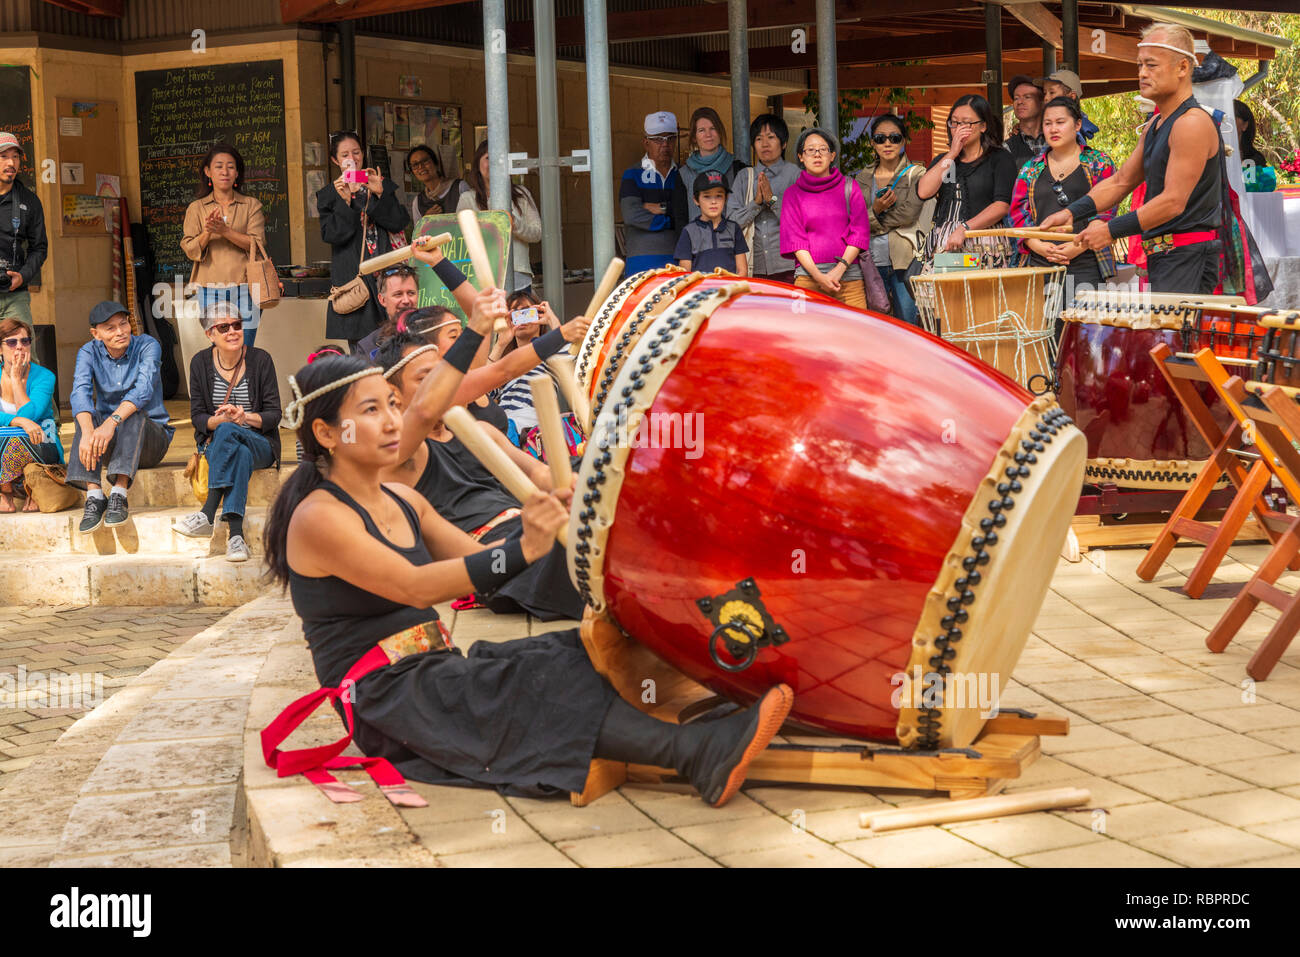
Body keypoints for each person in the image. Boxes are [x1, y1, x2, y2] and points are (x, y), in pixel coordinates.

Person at [261, 348, 794, 805]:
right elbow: (416, 587)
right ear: (326, 432)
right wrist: (523, 549)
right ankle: (696, 754)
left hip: (430, 670)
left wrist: (548, 523)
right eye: (371, 410)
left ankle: (714, 707)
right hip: (384, 700)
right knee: (527, 682)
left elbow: (479, 570)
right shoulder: (317, 517)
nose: (394, 421)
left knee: (565, 653)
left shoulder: (403, 497)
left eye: (393, 405)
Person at [1040, 24, 1225, 295]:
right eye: (1140, 65)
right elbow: (1120, 182)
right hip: (1168, 253)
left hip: (1188, 254)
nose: (1142, 73)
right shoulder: (1156, 124)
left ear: (1183, 67)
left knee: (1174, 337)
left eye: (1151, 65)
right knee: (1164, 336)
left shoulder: (1192, 123)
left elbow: (1173, 202)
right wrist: (1070, 212)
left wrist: (1110, 230)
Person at [171, 301, 281, 562]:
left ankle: (208, 513)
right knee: (236, 450)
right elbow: (198, 418)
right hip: (226, 442)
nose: (233, 331)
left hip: (261, 443)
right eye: (223, 327)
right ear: (210, 334)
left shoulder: (261, 359)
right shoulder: (199, 363)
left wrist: (245, 417)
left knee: (232, 432)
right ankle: (236, 537)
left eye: (237, 325)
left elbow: (274, 415)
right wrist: (221, 421)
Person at [68, 301, 175, 533]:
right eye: (110, 328)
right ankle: (95, 495)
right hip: (109, 444)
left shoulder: (148, 345)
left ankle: (119, 493)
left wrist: (111, 421)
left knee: (132, 412)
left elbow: (143, 390)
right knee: (86, 417)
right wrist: (88, 432)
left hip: (151, 441)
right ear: (96, 334)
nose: (120, 332)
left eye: (123, 324)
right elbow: (80, 392)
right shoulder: (88, 351)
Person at [1010, 98, 1117, 324]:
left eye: (1060, 122)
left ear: (1077, 124)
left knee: (1083, 336)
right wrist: (1037, 245)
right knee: (1042, 335)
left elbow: (1107, 210)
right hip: (1039, 265)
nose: (1053, 129)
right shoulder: (1031, 168)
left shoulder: (1099, 162)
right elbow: (1017, 214)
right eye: (1047, 123)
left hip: (1086, 261)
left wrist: (1078, 246)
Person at [318, 130, 412, 349]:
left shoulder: (380, 184)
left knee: (396, 342)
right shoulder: (328, 194)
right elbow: (333, 235)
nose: (352, 159)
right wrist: (345, 202)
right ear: (335, 160)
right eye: (344, 155)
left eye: (356, 152)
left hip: (387, 275)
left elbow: (399, 222)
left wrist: (380, 194)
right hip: (356, 280)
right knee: (362, 351)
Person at [779, 128, 889, 312]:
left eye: (823, 149)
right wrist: (819, 277)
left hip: (850, 279)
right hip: (808, 280)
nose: (817, 154)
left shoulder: (849, 186)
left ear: (832, 155)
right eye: (810, 150)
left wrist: (839, 269)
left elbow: (859, 232)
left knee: (853, 336)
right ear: (800, 156)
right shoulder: (792, 195)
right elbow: (796, 242)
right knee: (810, 338)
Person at [181, 143, 269, 349]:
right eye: (219, 166)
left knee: (244, 347)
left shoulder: (251, 205)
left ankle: (244, 383)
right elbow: (189, 248)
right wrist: (208, 233)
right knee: (220, 350)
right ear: (207, 172)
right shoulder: (196, 208)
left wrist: (225, 231)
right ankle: (224, 383)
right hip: (210, 290)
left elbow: (257, 243)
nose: (225, 171)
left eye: (230, 166)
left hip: (246, 288)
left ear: (237, 173)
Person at [916, 95, 1019, 269]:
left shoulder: (1000, 159)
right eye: (954, 123)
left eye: (966, 123)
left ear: (983, 126)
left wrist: (964, 228)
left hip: (983, 241)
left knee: (980, 294)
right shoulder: (946, 160)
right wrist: (952, 153)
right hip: (945, 244)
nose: (958, 129)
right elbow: (923, 192)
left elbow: (1001, 205)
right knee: (947, 294)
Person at [856, 114, 933, 326]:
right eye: (880, 138)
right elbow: (855, 218)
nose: (887, 143)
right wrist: (877, 210)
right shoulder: (862, 177)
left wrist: (873, 219)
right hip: (870, 262)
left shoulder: (917, 174)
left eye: (894, 138)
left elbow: (909, 214)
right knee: (875, 328)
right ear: (872, 142)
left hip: (905, 262)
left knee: (908, 326)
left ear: (904, 140)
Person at [458, 140, 542, 295]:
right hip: (481, 277)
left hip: (518, 276)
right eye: (489, 158)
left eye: (499, 159)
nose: (494, 163)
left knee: (520, 319)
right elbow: (461, 238)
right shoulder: (467, 199)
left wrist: (515, 224)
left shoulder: (521, 194)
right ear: (478, 164)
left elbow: (537, 233)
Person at [485, 290, 570, 444]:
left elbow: (567, 362)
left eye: (527, 312)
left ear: (539, 314)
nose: (522, 319)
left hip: (532, 427)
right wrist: (501, 343)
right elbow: (482, 390)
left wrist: (552, 320)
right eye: (516, 315)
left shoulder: (548, 352)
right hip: (502, 426)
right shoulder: (507, 361)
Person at [727, 114, 799, 283]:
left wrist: (772, 200)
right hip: (752, 266)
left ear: (784, 143)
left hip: (790, 266)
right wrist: (757, 203)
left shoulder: (795, 175)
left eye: (771, 137)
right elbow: (731, 224)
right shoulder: (744, 177)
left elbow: (801, 224)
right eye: (759, 139)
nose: (765, 144)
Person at [0, 316, 61, 512]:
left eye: (24, 341)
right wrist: (16, 420)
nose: (19, 347)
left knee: (24, 436)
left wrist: (16, 380)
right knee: (14, 435)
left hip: (42, 445)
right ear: (0, 349)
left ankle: (33, 488)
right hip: (3, 449)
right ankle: (5, 490)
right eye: (11, 342)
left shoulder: (44, 376)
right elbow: (22, 420)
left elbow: (32, 416)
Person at [619, 111, 681, 275]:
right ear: (646, 142)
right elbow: (632, 216)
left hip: (678, 261)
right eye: (658, 139)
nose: (665, 145)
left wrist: (662, 208)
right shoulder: (632, 174)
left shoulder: (683, 174)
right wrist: (673, 220)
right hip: (641, 262)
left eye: (670, 138)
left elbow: (689, 213)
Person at [671, 107, 748, 233]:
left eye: (713, 128)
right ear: (694, 137)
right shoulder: (683, 174)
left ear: (720, 131)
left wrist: (772, 200)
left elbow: (754, 206)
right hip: (698, 248)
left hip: (733, 246)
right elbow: (680, 220)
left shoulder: (738, 169)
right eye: (701, 130)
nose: (708, 135)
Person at [0, 132, 47, 331]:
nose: (11, 162)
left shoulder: (29, 201)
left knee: (24, 355)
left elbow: (39, 248)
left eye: (15, 156)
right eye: (3, 156)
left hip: (15, 295)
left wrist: (23, 276)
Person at [674, 171, 748, 275]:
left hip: (730, 289)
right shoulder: (689, 231)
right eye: (707, 196)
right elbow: (685, 275)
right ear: (696, 200)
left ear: (726, 198)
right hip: (701, 290)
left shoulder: (734, 228)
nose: (713, 201)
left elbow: (742, 271)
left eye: (718, 195)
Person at [405, 144, 468, 223]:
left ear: (436, 163)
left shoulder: (459, 187)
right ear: (413, 172)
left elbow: (474, 219)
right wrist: (426, 220)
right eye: (415, 165)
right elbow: (418, 234)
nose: (420, 167)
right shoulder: (418, 202)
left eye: (425, 161)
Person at [1043, 69, 1100, 142]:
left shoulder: (1075, 133)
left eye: (1052, 92)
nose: (1046, 98)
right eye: (1044, 93)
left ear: (1071, 96)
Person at [1004, 75, 1046, 169]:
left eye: (1027, 97)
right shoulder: (1007, 148)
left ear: (1042, 103)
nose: (1020, 102)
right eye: (1016, 98)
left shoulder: (1057, 140)